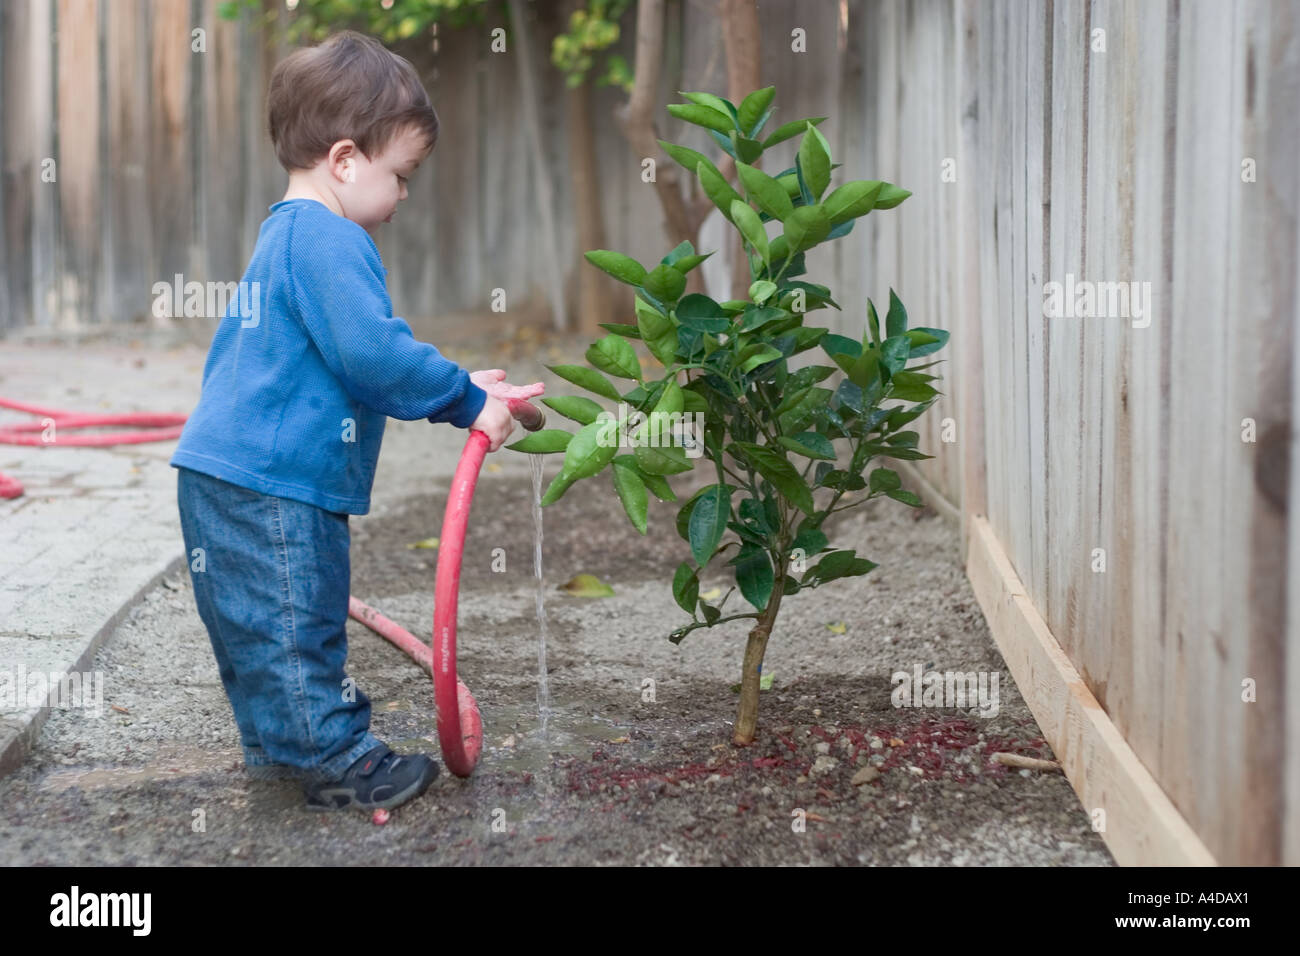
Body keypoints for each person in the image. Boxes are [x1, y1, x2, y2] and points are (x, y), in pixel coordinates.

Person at [170, 30, 536, 812]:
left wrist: (457, 382)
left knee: (259, 634)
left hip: (224, 475)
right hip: (275, 487)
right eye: (401, 175)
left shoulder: (290, 234)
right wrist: (468, 403)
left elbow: (351, 359)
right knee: (299, 627)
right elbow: (373, 355)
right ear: (344, 161)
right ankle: (340, 760)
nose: (404, 195)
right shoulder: (332, 240)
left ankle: (278, 753)